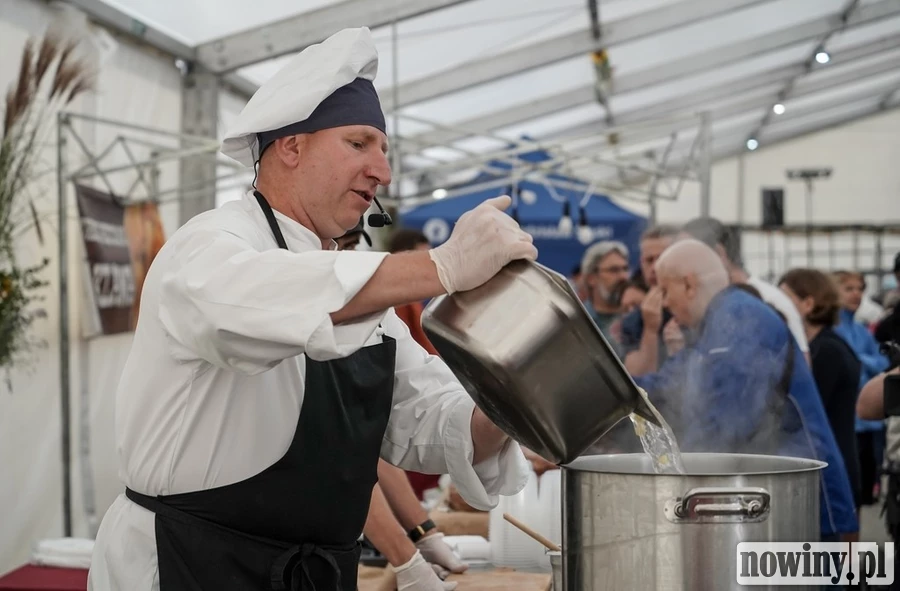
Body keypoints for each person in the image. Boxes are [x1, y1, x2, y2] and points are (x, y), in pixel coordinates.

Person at [88, 28, 537, 591]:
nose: (383, 172)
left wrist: (513, 398)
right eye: (359, 143)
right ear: (291, 146)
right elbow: (263, 301)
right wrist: (441, 266)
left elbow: (429, 422)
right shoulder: (209, 246)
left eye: (385, 150)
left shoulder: (361, 290)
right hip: (191, 567)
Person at [633, 240, 858, 540]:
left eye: (664, 290)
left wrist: (669, 476)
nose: (663, 302)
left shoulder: (740, 319)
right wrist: (619, 391)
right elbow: (667, 385)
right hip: (775, 499)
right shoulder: (714, 325)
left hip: (809, 505)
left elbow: (725, 426)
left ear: (688, 285)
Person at [779, 269, 863, 514]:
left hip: (833, 473)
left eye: (785, 298)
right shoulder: (826, 345)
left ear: (808, 303)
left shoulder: (826, 352)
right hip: (835, 463)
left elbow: (803, 416)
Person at [680, 217, 811, 364]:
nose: (683, 267)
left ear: (719, 253)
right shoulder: (714, 302)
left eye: (689, 257)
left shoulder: (768, 298)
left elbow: (802, 364)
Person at [833, 270, 890, 505]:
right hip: (848, 422)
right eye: (849, 289)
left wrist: (859, 359)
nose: (856, 294)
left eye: (860, 289)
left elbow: (883, 363)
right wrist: (864, 360)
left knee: (867, 488)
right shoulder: (832, 332)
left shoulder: (860, 331)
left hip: (871, 422)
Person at [617, 224, 680, 375]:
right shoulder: (634, 321)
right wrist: (650, 330)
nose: (654, 267)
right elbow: (637, 379)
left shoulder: (699, 309)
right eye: (649, 260)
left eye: (662, 258)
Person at [579, 240, 631, 347]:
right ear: (591, 278)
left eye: (625, 269)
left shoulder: (638, 319)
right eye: (614, 270)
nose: (623, 276)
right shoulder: (579, 322)